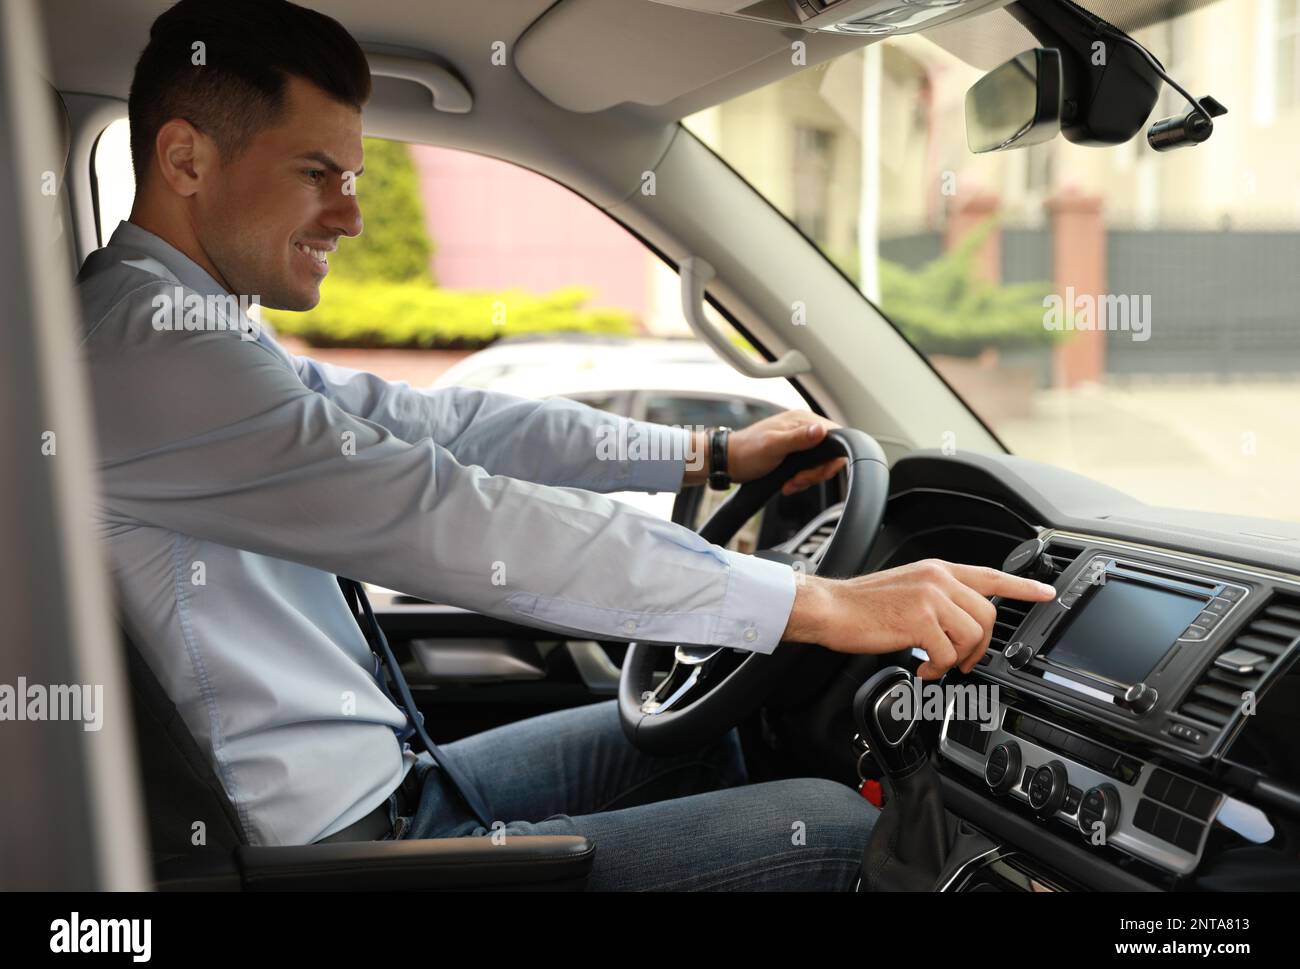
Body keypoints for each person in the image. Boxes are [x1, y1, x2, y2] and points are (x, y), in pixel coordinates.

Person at [79, 0, 1055, 890]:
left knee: (710, 734)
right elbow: (449, 515)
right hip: (339, 854)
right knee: (841, 835)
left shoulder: (194, 328)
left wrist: (707, 458)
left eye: (355, 177)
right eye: (316, 174)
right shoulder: (156, 350)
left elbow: (445, 424)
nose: (352, 212)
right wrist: (819, 601)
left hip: (393, 780)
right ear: (187, 160)